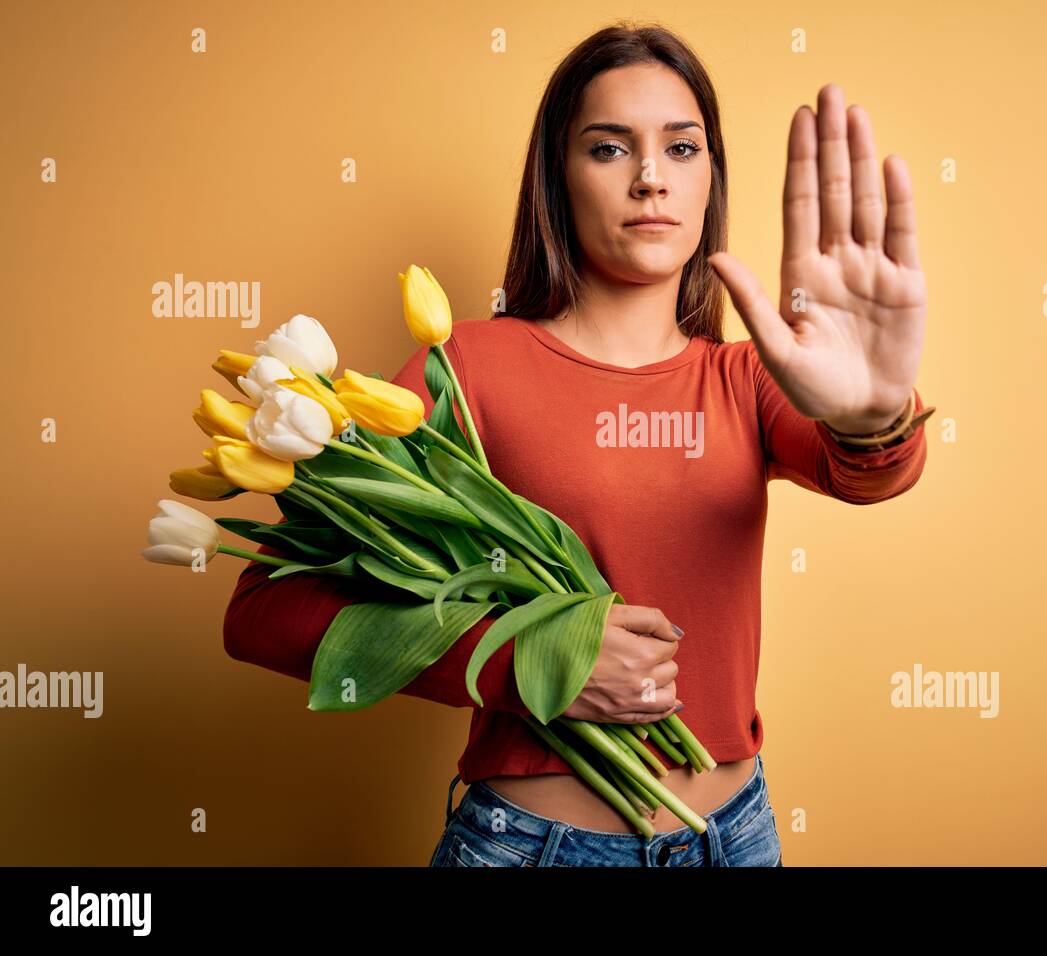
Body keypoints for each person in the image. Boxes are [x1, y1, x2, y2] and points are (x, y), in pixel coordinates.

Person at [222, 21, 934, 867]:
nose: (648, 179)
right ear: (557, 180)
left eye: (681, 147)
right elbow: (262, 612)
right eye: (608, 149)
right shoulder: (467, 371)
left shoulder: (749, 378)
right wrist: (531, 660)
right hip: (533, 849)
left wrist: (873, 411)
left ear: (711, 180)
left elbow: (872, 473)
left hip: (736, 839)